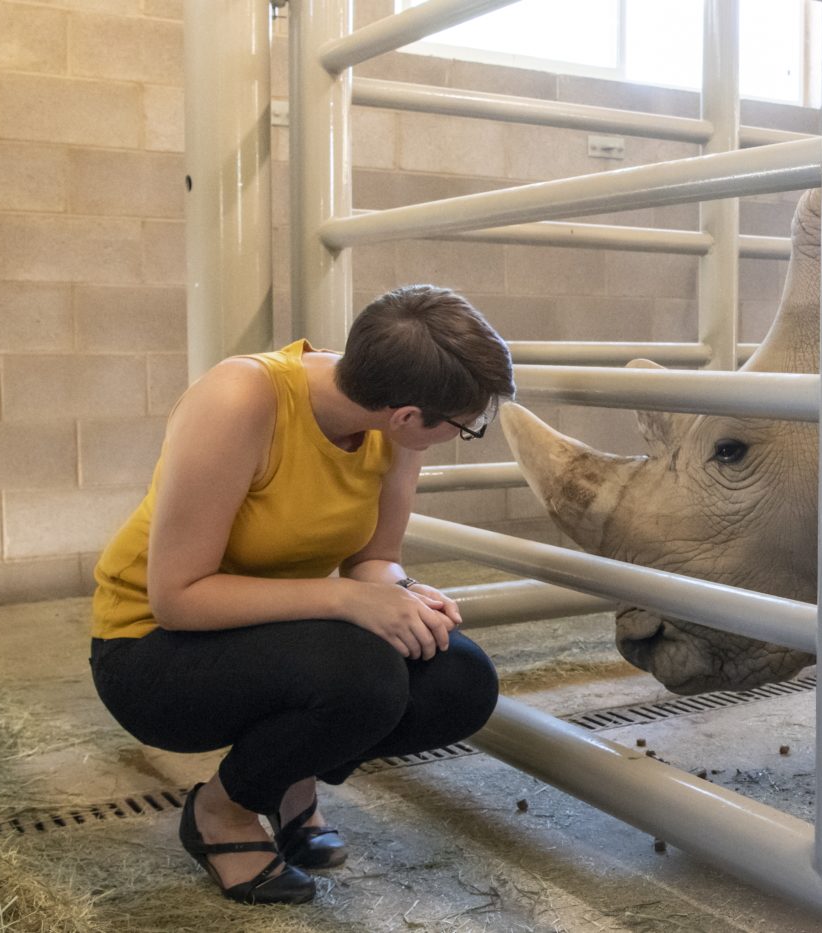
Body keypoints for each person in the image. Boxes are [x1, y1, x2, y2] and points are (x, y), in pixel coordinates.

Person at [88, 284, 514, 905]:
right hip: (151, 648)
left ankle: (287, 778)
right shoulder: (241, 398)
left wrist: (405, 594)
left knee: (458, 678)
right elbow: (178, 597)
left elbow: (376, 560)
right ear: (404, 415)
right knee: (363, 676)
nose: (466, 429)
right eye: (466, 425)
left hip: (280, 635)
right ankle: (222, 812)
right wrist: (346, 601)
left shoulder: (392, 428)